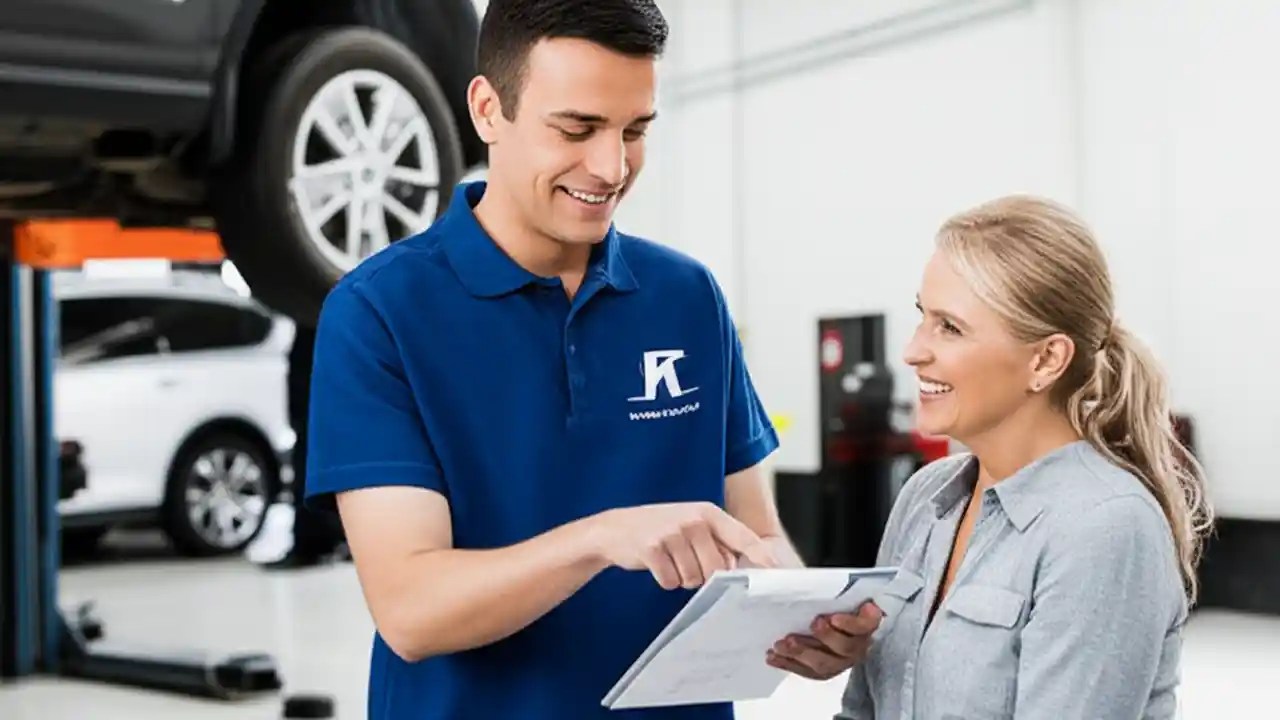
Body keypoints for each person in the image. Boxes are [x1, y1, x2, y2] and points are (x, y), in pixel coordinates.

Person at [303, 2, 882, 718]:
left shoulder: (686, 297)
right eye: (576, 129)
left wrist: (808, 620)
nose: (611, 167)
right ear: (488, 110)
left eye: (634, 130)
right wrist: (602, 538)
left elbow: (757, 535)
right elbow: (412, 611)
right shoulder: (379, 313)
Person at [836, 195, 1214, 719]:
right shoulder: (927, 497)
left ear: (1046, 359)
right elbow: (861, 711)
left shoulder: (1104, 526)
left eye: (950, 327)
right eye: (923, 316)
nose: (913, 350)